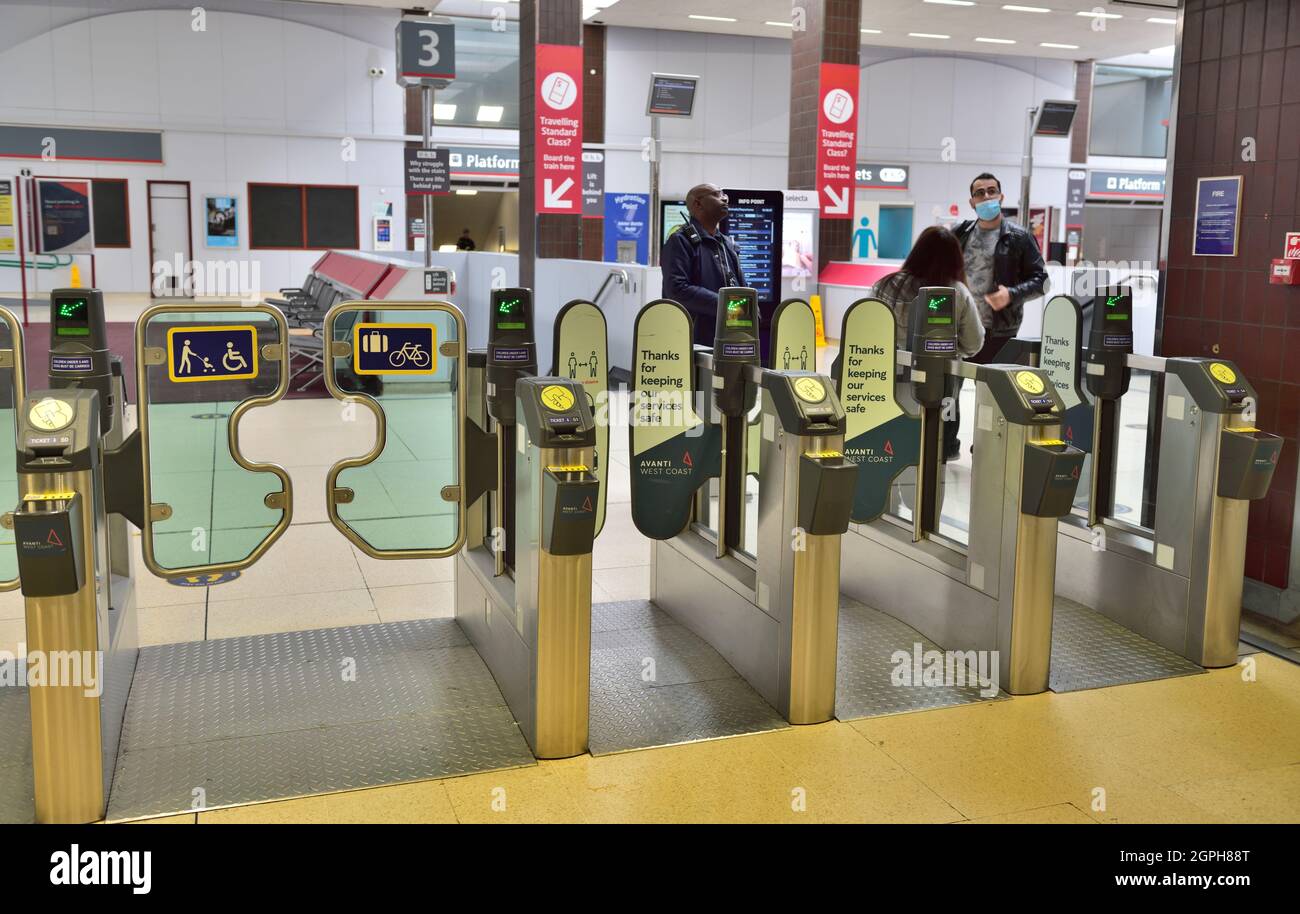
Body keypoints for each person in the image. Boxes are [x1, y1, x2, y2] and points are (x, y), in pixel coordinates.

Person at [946, 172, 1049, 457]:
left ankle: (986, 444)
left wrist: (1011, 295)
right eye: (980, 193)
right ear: (972, 201)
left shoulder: (1018, 237)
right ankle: (946, 444)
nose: (987, 197)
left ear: (1001, 197)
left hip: (998, 329)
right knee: (949, 388)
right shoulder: (959, 234)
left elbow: (1041, 280)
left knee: (990, 393)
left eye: (992, 191)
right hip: (959, 327)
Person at [873, 226, 984, 362]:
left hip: (889, 372)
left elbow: (871, 331)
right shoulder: (958, 292)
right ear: (955, 259)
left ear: (917, 252)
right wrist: (944, 348)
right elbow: (973, 343)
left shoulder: (887, 285)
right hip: (943, 376)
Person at [661, 183, 747, 348]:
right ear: (697, 204)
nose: (724, 198)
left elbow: (741, 288)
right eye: (716, 194)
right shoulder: (680, 241)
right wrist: (727, 306)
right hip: (695, 344)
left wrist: (751, 310)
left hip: (731, 339)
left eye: (724, 194)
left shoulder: (727, 243)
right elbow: (677, 289)